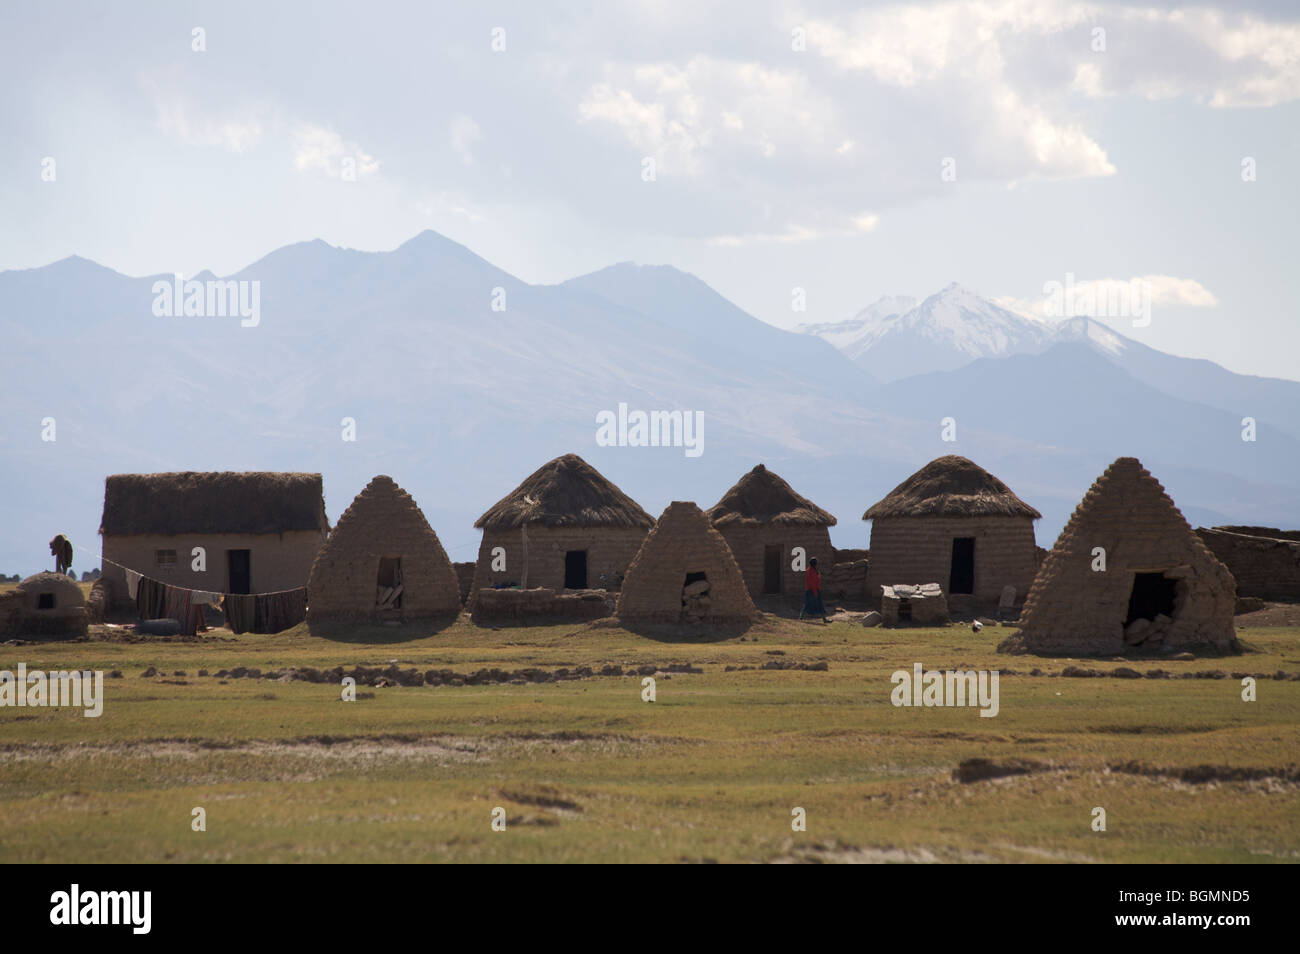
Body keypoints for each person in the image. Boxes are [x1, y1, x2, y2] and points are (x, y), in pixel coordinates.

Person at [800, 557, 829, 624]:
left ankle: (801, 617)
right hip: (813, 590)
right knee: (820, 605)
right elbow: (813, 582)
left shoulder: (809, 570)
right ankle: (824, 619)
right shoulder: (812, 571)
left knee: (806, 604)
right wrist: (815, 593)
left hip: (809, 590)